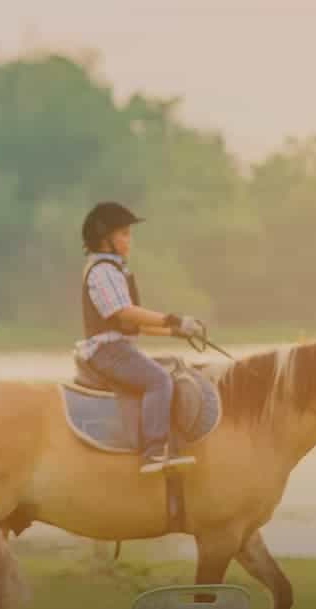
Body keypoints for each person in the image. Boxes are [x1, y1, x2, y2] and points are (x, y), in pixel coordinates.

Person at [78, 201, 205, 474]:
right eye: (124, 234)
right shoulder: (103, 271)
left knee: (174, 366)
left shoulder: (114, 270)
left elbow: (133, 324)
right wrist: (173, 319)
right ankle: (153, 452)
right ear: (106, 239)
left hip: (118, 346)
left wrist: (174, 332)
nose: (129, 240)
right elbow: (125, 312)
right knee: (159, 380)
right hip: (108, 351)